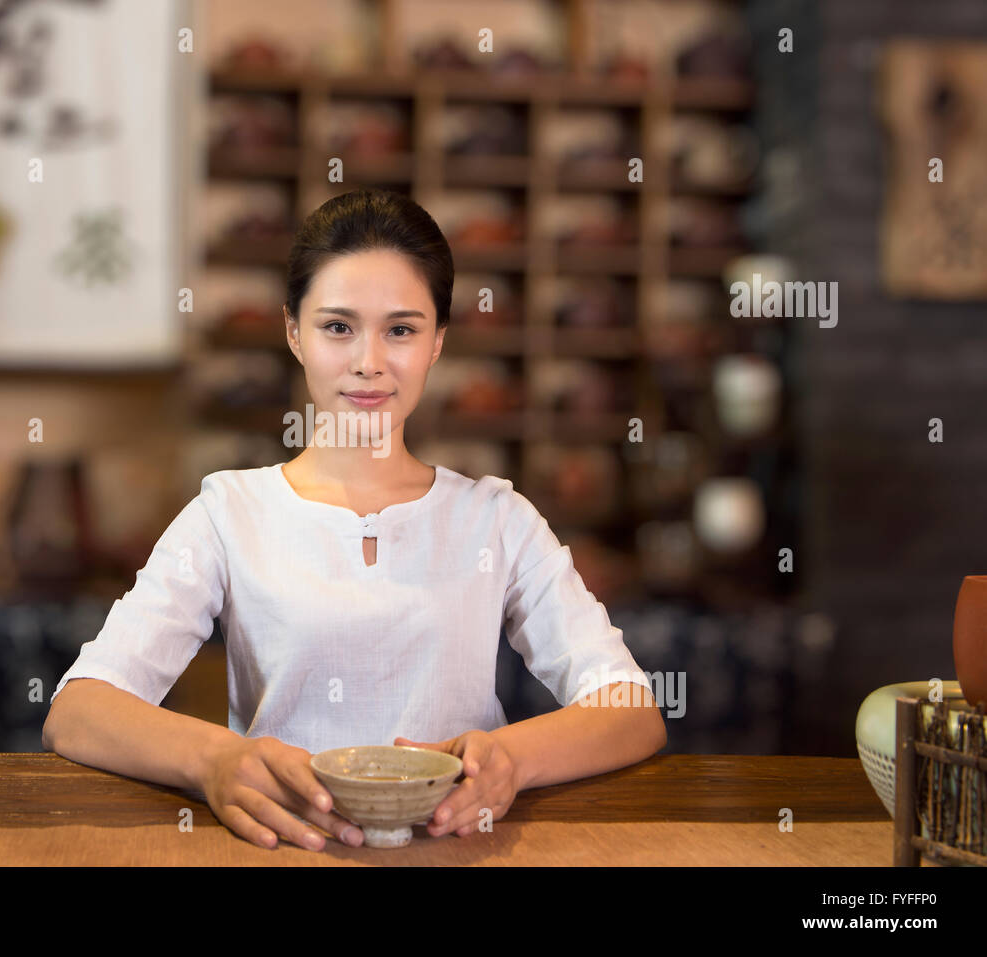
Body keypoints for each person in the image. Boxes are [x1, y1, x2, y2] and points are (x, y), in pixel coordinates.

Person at [43, 188, 666, 853]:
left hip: (458, 851)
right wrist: (213, 760)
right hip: (284, 850)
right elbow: (79, 711)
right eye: (338, 326)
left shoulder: (497, 519)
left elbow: (630, 708)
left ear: (437, 342)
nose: (369, 360)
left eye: (401, 329)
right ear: (294, 333)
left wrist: (510, 758)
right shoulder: (230, 514)